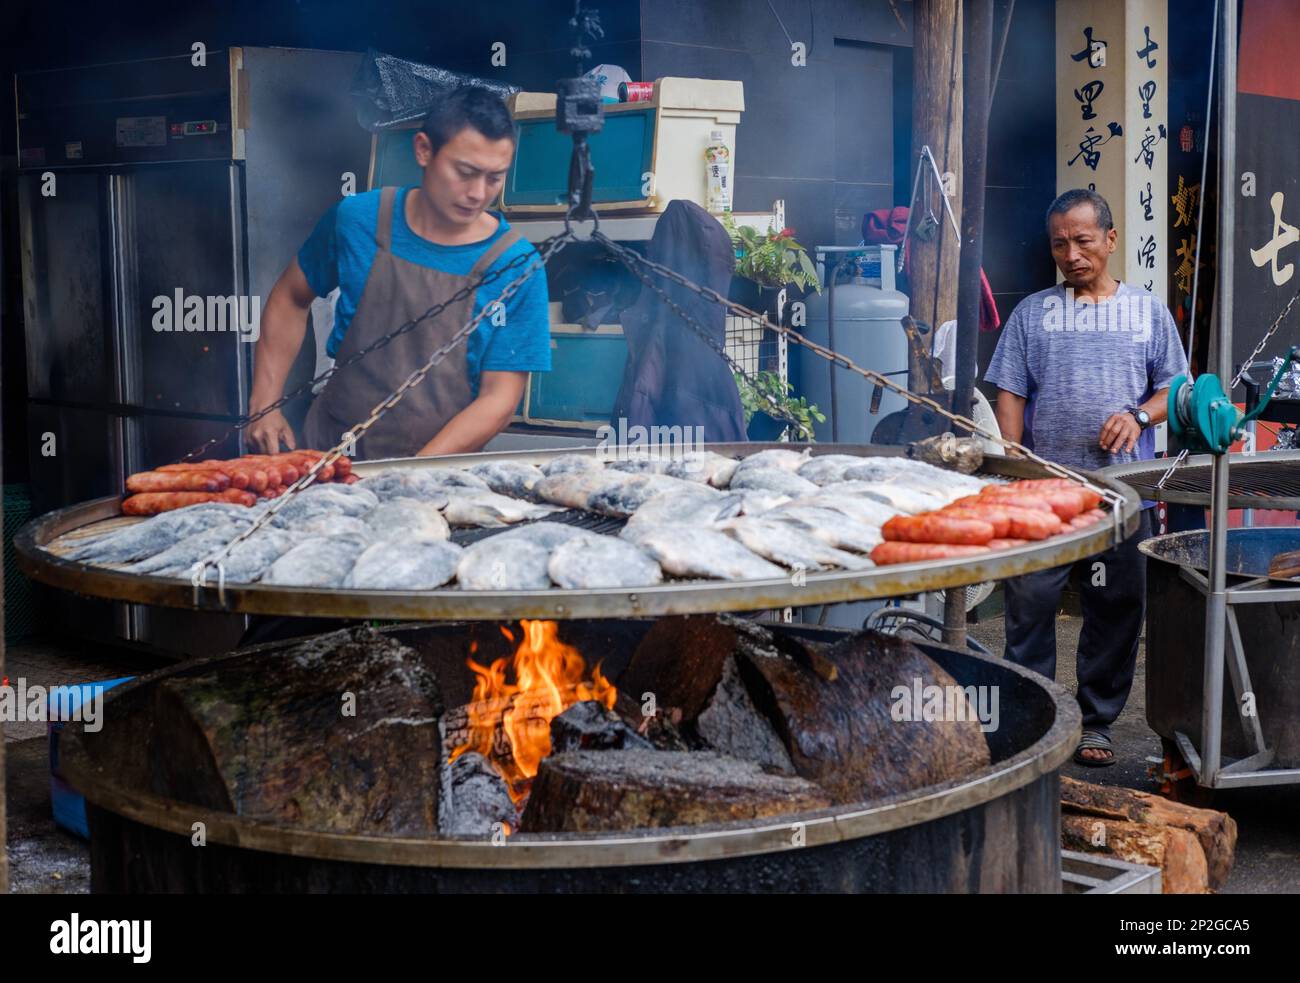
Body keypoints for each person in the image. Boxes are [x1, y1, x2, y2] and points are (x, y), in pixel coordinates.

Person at [984, 188, 1188, 767]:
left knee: (1115, 607)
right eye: (1059, 243)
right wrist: (1015, 466)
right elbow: (1011, 392)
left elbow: (1175, 388)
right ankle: (1032, 716)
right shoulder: (1032, 314)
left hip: (1125, 495)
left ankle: (1096, 723)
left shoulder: (1147, 312)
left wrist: (1138, 415)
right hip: (1049, 496)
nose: (1071, 254)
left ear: (1111, 240)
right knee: (1029, 606)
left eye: (1083, 240)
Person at [246, 86, 550, 459]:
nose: (477, 193)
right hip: (331, 458)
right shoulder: (358, 219)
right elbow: (291, 298)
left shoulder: (516, 265)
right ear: (423, 150)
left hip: (437, 474)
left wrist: (412, 473)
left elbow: (499, 399)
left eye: (494, 178)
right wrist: (265, 404)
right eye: (465, 172)